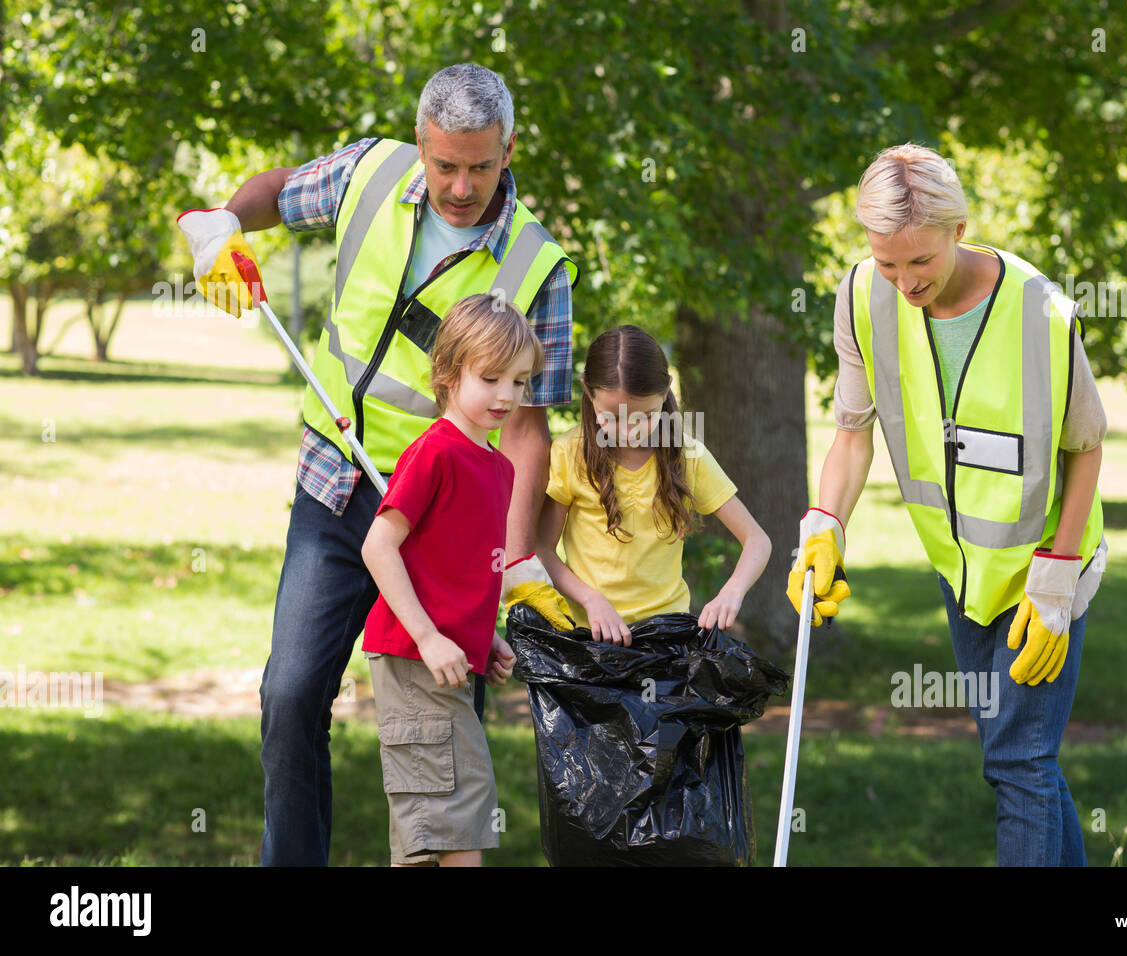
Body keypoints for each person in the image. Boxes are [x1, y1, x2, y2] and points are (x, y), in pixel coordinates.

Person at [177, 62, 579, 865]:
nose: (460, 186)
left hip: (444, 522)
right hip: (335, 483)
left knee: (437, 715)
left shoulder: (540, 266)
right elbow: (278, 192)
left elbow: (531, 431)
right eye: (445, 164)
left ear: (509, 151)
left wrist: (520, 556)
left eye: (480, 166)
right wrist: (221, 221)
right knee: (290, 696)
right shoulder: (372, 171)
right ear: (422, 144)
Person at [791, 143, 1108, 866]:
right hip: (959, 574)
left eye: (920, 263)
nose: (903, 281)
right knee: (1025, 757)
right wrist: (825, 526)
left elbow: (1085, 444)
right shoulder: (860, 294)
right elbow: (851, 432)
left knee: (1017, 763)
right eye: (888, 261)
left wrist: (1057, 578)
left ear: (958, 229)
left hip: (1042, 572)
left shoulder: (1038, 309)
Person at [359, 294, 535, 867]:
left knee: (461, 821)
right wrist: (431, 637)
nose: (507, 395)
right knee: (434, 832)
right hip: (415, 661)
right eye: (490, 378)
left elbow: (457, 571)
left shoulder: (500, 468)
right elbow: (378, 545)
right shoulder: (434, 452)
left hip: (451, 666)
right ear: (447, 372)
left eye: (519, 380)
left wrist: (485, 636)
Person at [504, 324, 771, 645]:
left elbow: (757, 540)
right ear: (588, 392)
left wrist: (731, 592)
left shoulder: (689, 457)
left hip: (668, 638)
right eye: (612, 418)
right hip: (590, 637)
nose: (629, 431)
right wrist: (590, 599)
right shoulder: (570, 453)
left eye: (644, 416)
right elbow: (542, 547)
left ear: (666, 391)